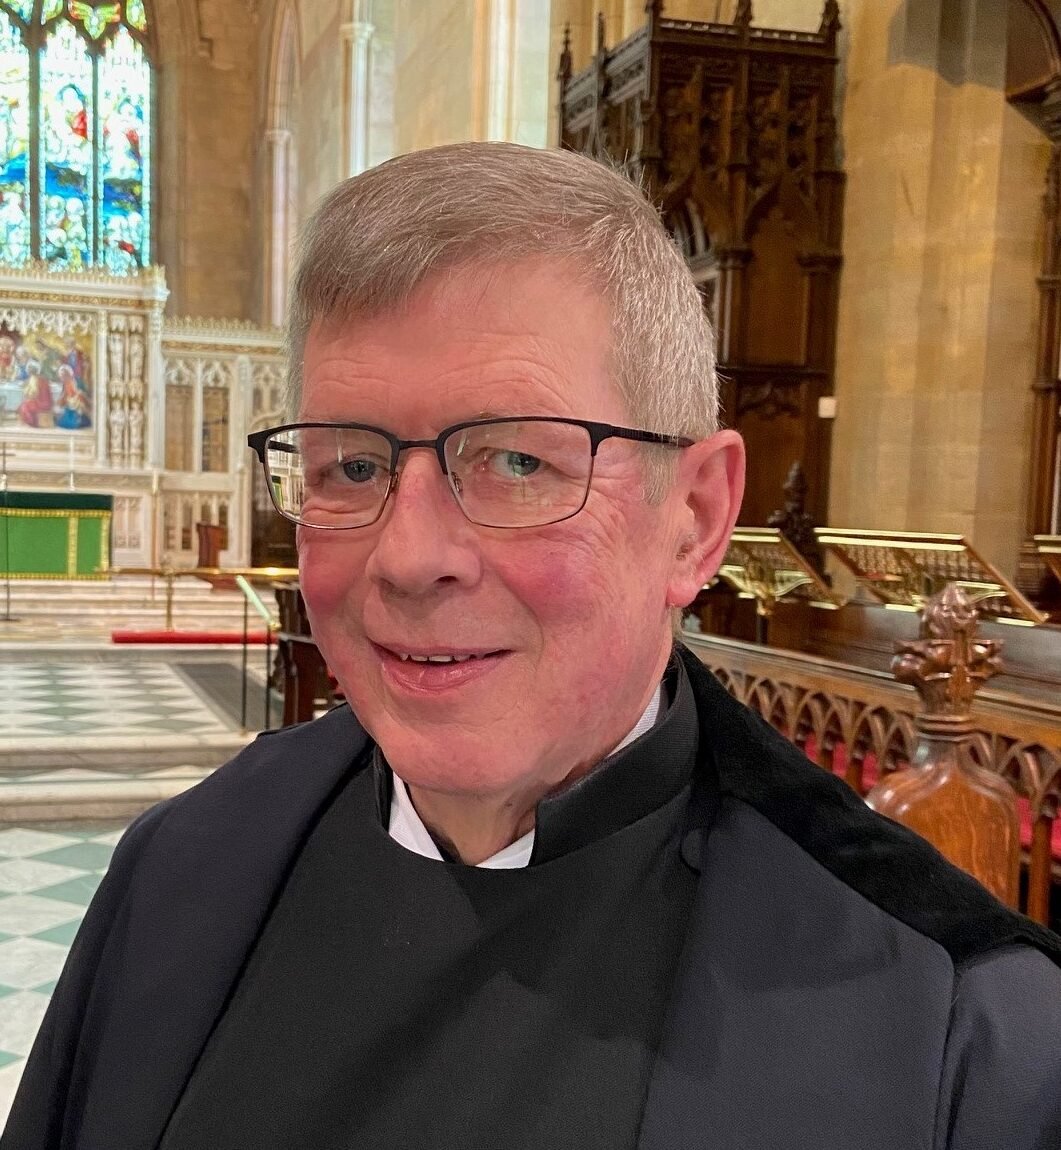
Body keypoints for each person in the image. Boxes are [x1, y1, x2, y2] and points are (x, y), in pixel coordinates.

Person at [4, 142, 1061, 1150]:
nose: (409, 557)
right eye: (349, 467)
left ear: (692, 519)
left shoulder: (952, 1028)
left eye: (516, 460)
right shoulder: (185, 871)